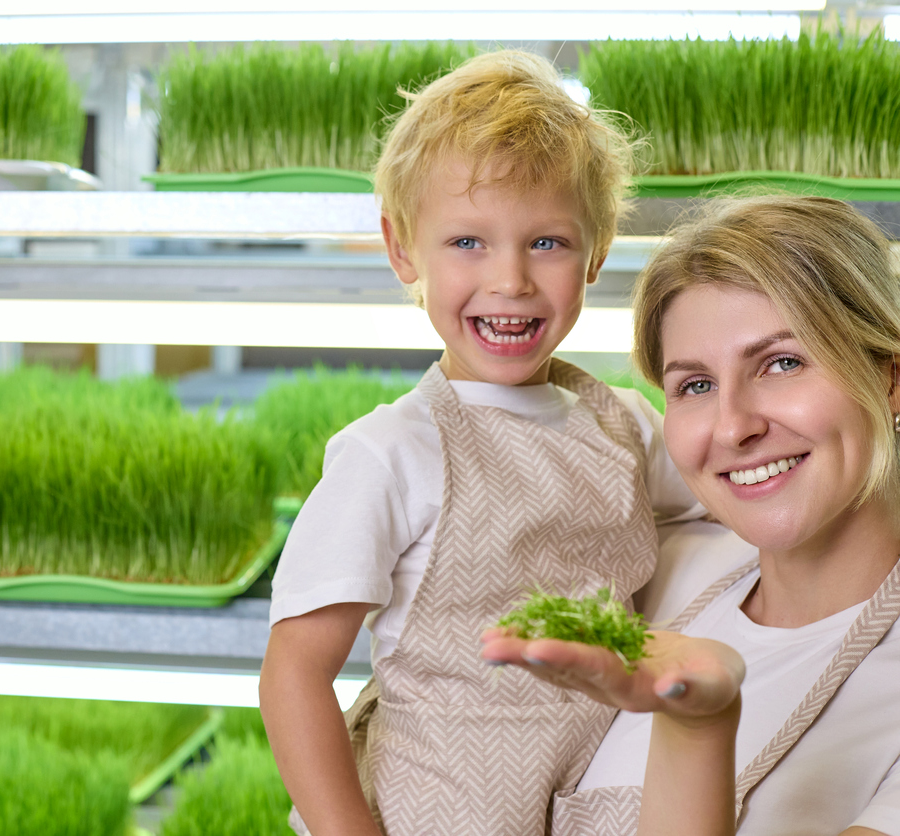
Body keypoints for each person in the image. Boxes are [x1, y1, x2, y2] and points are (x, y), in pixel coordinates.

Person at [258, 50, 702, 836]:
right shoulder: (389, 453)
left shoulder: (625, 425)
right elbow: (294, 673)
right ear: (403, 252)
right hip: (433, 808)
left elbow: (729, 494)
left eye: (548, 243)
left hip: (589, 796)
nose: (511, 279)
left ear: (596, 252)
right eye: (467, 242)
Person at [484, 195, 900, 836]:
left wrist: (697, 726)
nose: (733, 427)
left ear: (890, 377)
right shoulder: (652, 571)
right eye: (695, 386)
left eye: (782, 363)